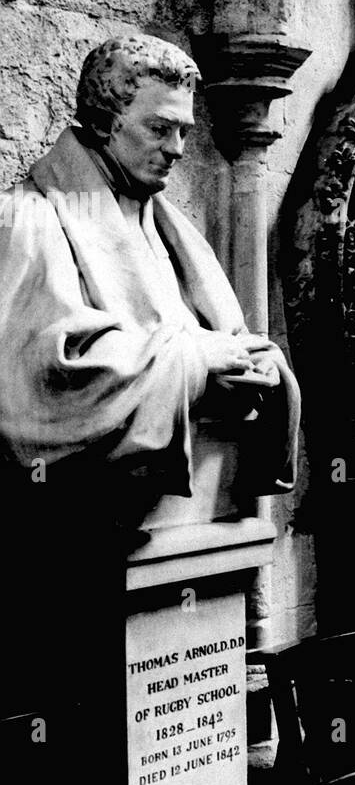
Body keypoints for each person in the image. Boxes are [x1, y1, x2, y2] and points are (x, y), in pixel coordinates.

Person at [0, 33, 299, 501]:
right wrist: (196, 360)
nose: (177, 149)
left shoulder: (171, 229)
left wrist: (255, 362)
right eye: (159, 129)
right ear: (103, 123)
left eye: (184, 131)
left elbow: (214, 339)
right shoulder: (27, 221)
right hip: (78, 522)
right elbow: (37, 394)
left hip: (201, 513)